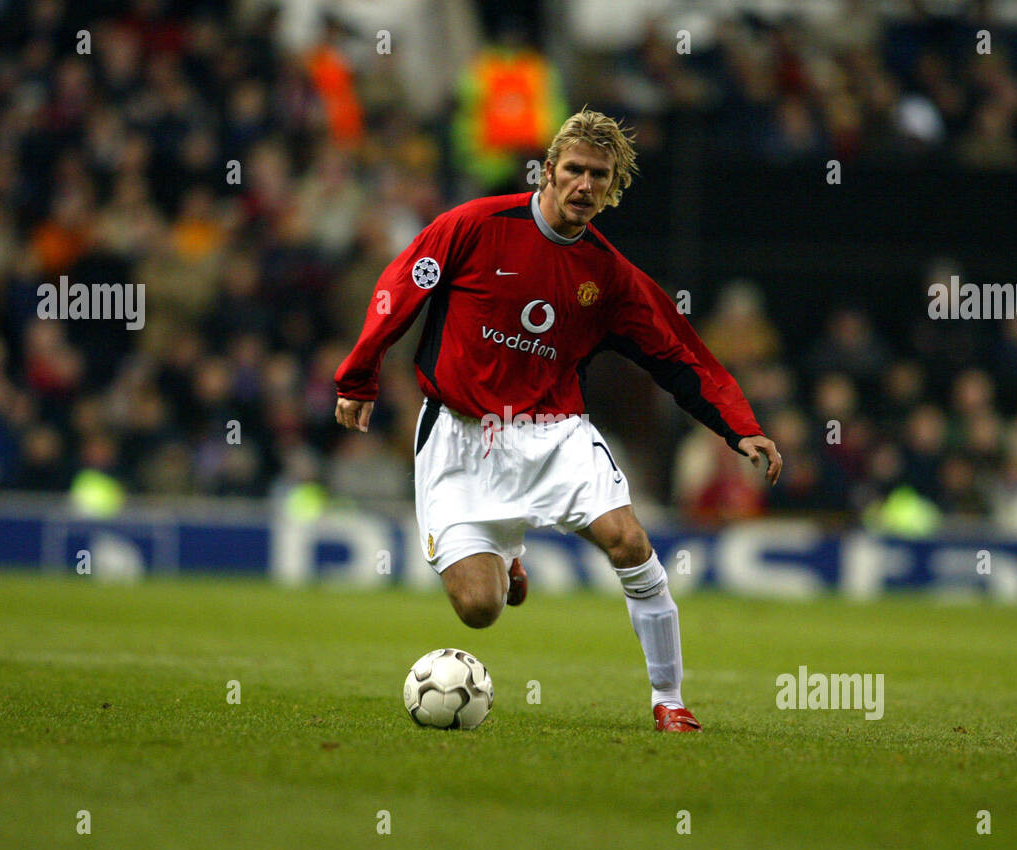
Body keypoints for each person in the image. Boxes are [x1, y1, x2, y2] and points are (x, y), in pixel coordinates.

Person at [334, 109, 781, 732]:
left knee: (630, 540)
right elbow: (401, 284)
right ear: (547, 172)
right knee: (479, 609)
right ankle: (507, 551)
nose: (584, 185)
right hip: (461, 437)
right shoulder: (477, 225)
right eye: (573, 170)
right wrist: (359, 375)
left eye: (599, 176)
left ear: (611, 188)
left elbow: (679, 353)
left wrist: (739, 425)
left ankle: (669, 700)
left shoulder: (610, 275)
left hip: (553, 432)